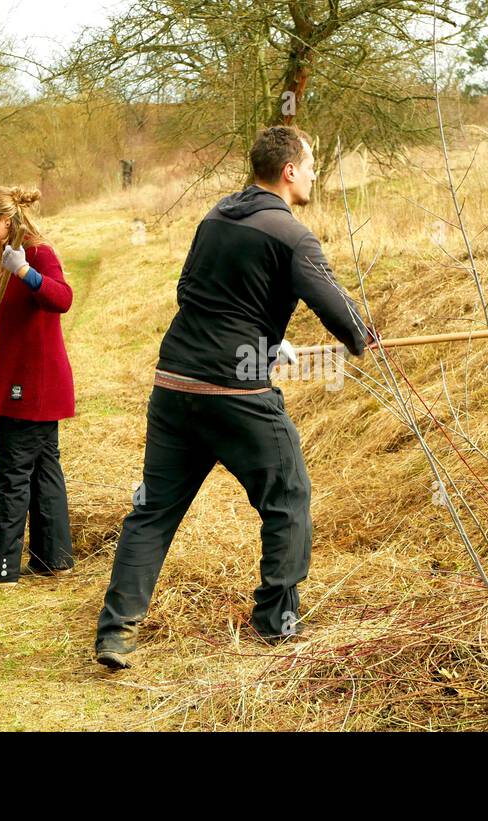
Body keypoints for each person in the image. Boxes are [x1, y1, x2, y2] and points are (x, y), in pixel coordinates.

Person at [94, 125, 375, 668]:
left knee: (152, 511)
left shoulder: (215, 217)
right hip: (235, 392)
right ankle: (276, 622)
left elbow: (192, 292)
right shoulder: (293, 234)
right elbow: (334, 306)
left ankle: (115, 633)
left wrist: (267, 339)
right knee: (288, 497)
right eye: (311, 164)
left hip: (175, 382)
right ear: (289, 171)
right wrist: (362, 336)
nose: (315, 173)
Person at [0, 186, 77, 593]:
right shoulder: (8, 259)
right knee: (44, 470)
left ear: (5, 221)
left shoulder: (36, 254)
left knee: (10, 474)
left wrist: (26, 271)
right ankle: (52, 559)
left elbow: (62, 298)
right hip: (25, 379)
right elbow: (17, 317)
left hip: (33, 385)